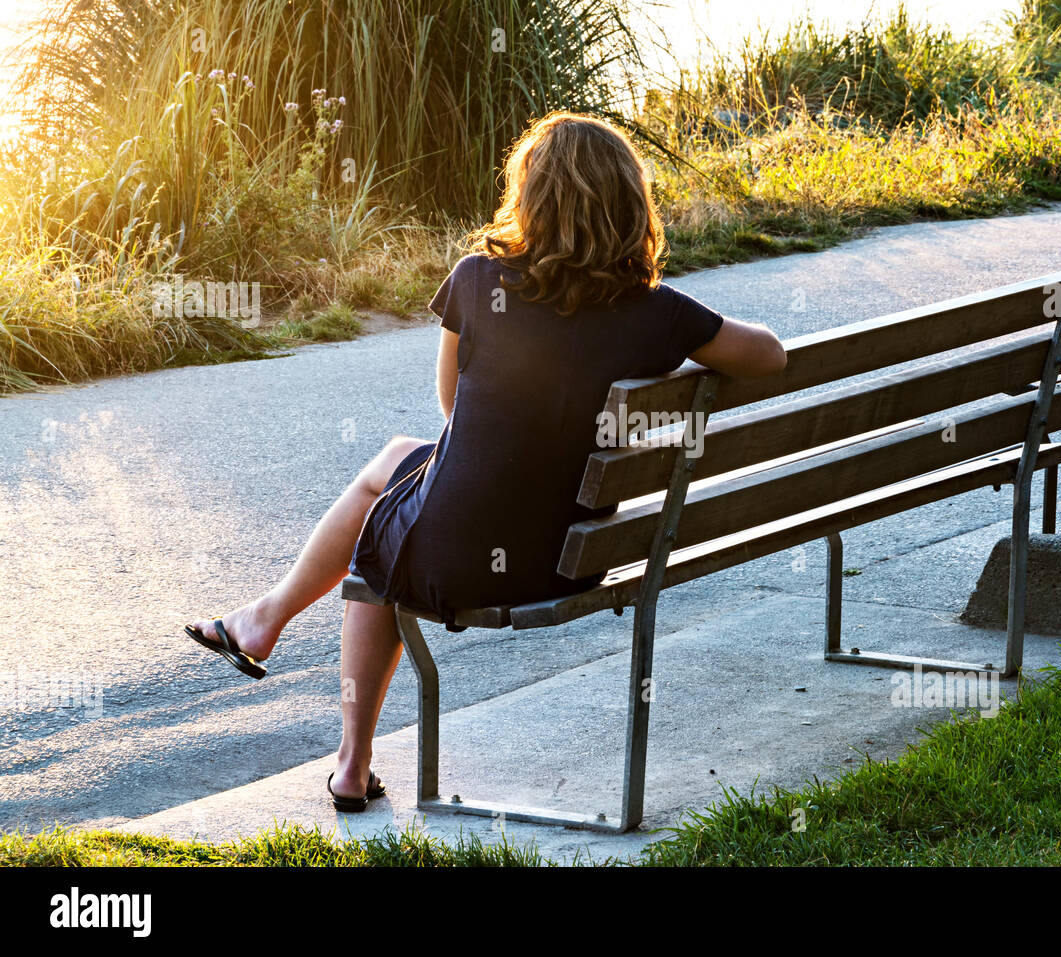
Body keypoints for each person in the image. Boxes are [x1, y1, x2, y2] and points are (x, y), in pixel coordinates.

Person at [185, 111, 786, 811]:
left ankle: (346, 754)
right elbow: (770, 354)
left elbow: (453, 414)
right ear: (630, 205)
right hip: (569, 554)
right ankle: (265, 617)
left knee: (381, 526)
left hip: (463, 557)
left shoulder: (478, 280)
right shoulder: (661, 313)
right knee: (394, 462)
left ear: (528, 197)